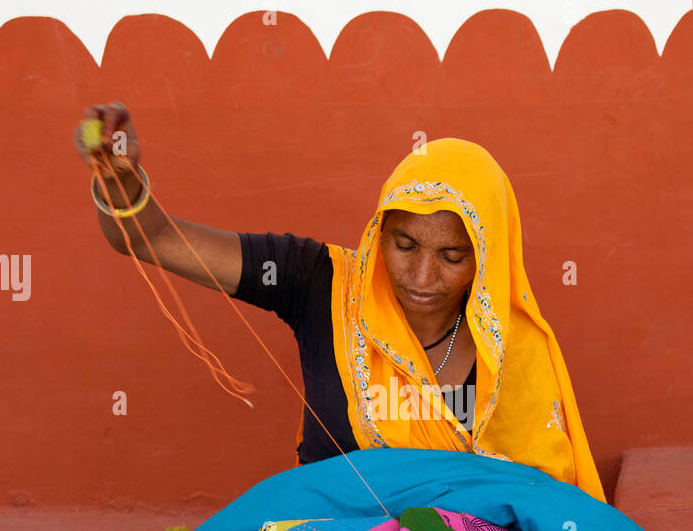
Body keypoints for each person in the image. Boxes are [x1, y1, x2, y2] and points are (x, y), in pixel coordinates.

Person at [76, 103, 606, 502]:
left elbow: (545, 507)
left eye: (451, 256)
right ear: (379, 232)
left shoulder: (516, 349)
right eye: (404, 246)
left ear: (488, 258)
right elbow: (150, 239)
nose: (423, 276)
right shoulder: (319, 281)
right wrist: (121, 180)